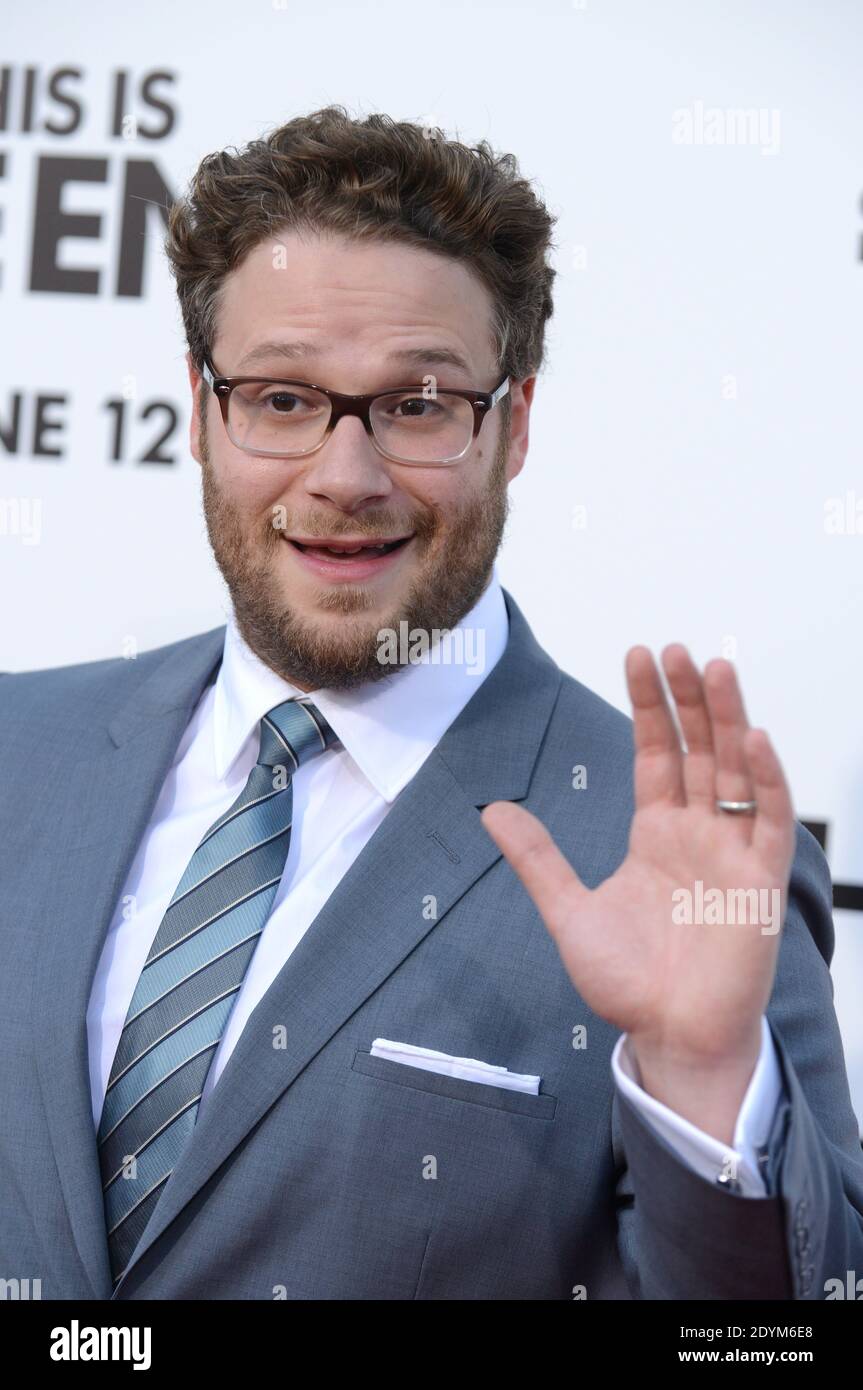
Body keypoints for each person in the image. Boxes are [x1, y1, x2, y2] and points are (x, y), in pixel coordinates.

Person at [1, 105, 861, 1301]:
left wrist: (701, 1085)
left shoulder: (664, 853)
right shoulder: (16, 752)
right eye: (283, 397)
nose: (344, 479)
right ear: (201, 413)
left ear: (509, 428)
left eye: (416, 406)